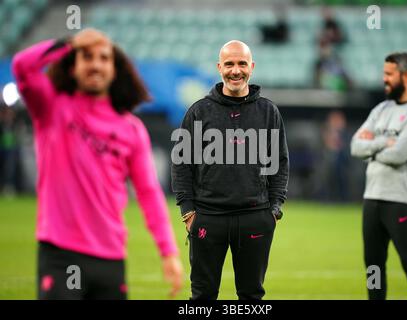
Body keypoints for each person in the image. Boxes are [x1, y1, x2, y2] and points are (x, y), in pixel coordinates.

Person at [12, 28, 183, 300]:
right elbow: (22, 67)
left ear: (115, 69)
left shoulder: (131, 128)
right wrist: (69, 44)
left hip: (111, 259)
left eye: (104, 58)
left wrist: (168, 251)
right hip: (61, 253)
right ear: (72, 66)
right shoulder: (51, 107)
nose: (95, 64)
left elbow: (149, 193)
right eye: (87, 57)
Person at [171, 40, 289, 300]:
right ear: (219, 67)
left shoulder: (268, 111)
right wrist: (187, 211)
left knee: (251, 297)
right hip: (207, 217)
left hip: (255, 217)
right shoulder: (198, 111)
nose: (236, 70)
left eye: (242, 63)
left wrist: (274, 209)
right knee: (202, 296)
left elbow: (279, 163)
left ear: (252, 67)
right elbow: (181, 164)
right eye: (229, 64)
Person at [351, 52, 407, 300]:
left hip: (402, 199)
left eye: (389, 74)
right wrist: (385, 142)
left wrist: (372, 147)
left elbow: (399, 155)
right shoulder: (381, 108)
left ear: (406, 75)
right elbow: (355, 146)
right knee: (374, 265)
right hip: (373, 197)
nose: (384, 79)